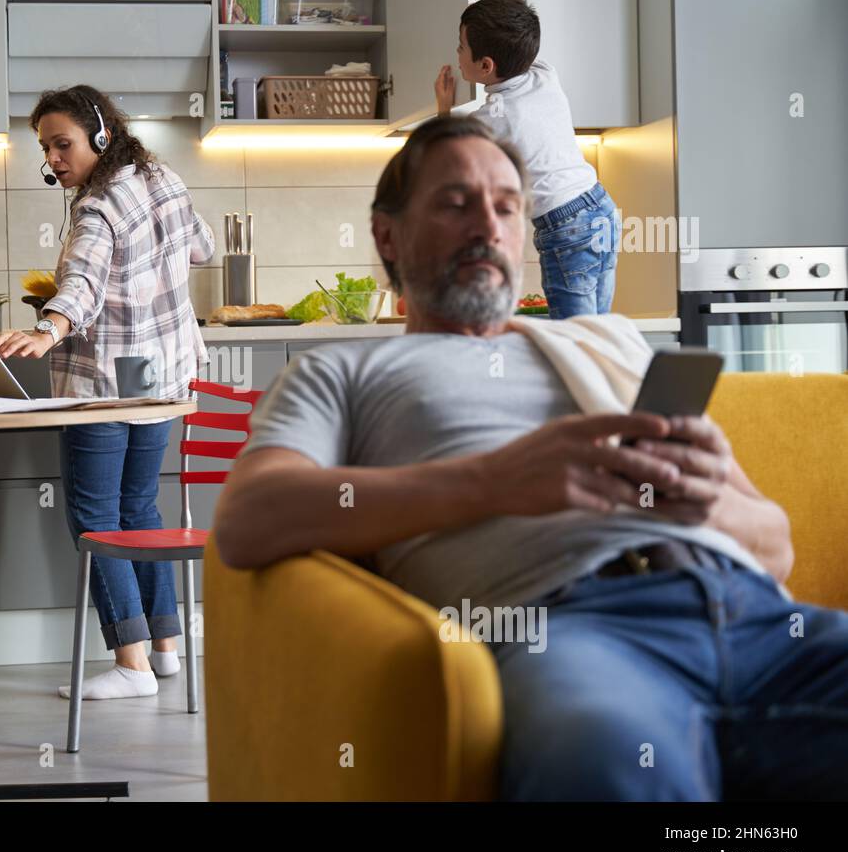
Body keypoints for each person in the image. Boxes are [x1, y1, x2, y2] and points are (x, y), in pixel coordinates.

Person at [213, 116, 848, 799]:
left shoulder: (610, 345)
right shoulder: (346, 371)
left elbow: (775, 548)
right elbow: (250, 518)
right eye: (456, 204)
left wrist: (707, 502)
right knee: (604, 761)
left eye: (507, 205)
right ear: (386, 235)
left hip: (753, 615)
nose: (487, 224)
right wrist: (495, 482)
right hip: (572, 634)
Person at [0, 85, 215, 700]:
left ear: (99, 136)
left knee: (96, 519)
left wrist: (49, 327)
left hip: (103, 382)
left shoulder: (95, 206)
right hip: (162, 379)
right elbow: (204, 247)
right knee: (139, 510)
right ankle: (165, 650)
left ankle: (130, 663)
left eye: (63, 145)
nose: (55, 159)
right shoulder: (162, 177)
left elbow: (84, 280)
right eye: (45, 148)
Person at [435, 0, 620, 318]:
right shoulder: (546, 75)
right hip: (600, 206)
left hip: (566, 226)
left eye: (461, 47)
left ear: (486, 65)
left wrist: (443, 107)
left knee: (572, 337)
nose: (457, 53)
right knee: (595, 332)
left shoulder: (497, 116)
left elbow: (446, 152)